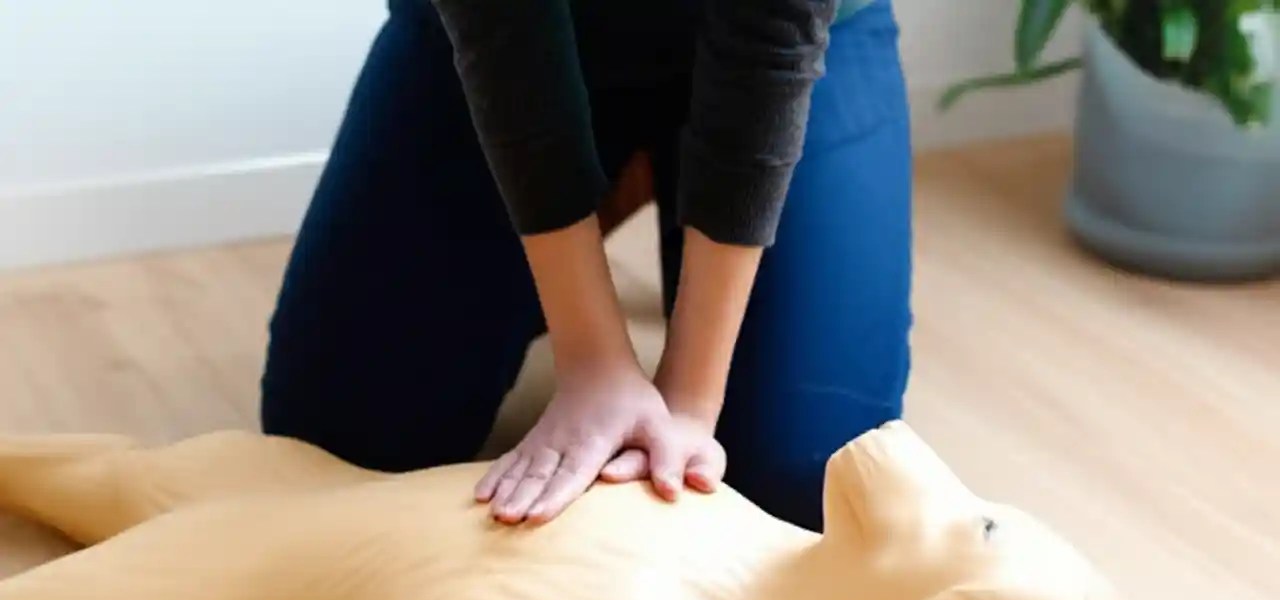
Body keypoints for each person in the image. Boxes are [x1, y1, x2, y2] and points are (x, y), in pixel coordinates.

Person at [259, 0, 913, 533]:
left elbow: (771, 32)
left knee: (801, 481)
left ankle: (653, 180)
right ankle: (621, 183)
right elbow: (506, 31)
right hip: (499, 39)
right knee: (343, 436)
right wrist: (593, 364)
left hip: (799, 47)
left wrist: (688, 410)